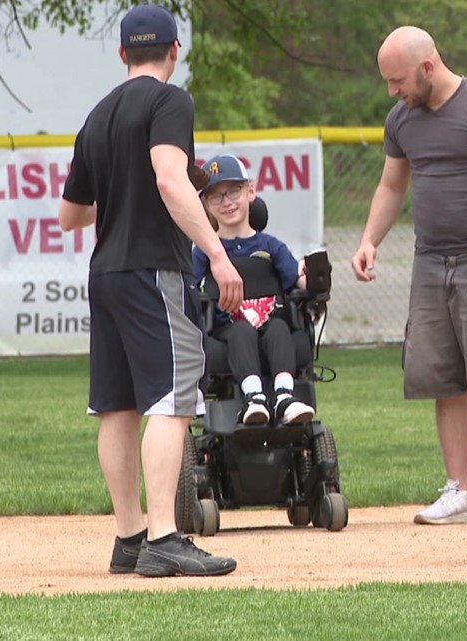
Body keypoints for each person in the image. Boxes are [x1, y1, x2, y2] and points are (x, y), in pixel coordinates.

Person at [57, 4, 244, 578]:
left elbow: (70, 215)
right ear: (174, 51)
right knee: (171, 399)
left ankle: (129, 537)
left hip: (106, 271)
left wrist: (119, 189)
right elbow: (168, 176)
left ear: (122, 54)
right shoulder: (170, 99)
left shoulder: (98, 113)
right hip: (153, 271)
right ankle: (164, 537)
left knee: (117, 407)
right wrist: (216, 252)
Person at [350, 26, 467, 527]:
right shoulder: (401, 119)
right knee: (443, 380)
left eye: (398, 80)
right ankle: (461, 493)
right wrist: (370, 240)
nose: (393, 91)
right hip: (430, 261)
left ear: (427, 66)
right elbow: (392, 185)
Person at [192, 154, 317, 427]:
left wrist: (314, 277)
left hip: (271, 322)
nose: (226, 202)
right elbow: (189, 287)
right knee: (241, 331)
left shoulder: (272, 247)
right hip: (228, 328)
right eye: (216, 197)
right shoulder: (206, 251)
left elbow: (298, 282)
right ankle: (254, 398)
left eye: (233, 191)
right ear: (207, 206)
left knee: (280, 329)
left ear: (250, 191)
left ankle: (285, 397)